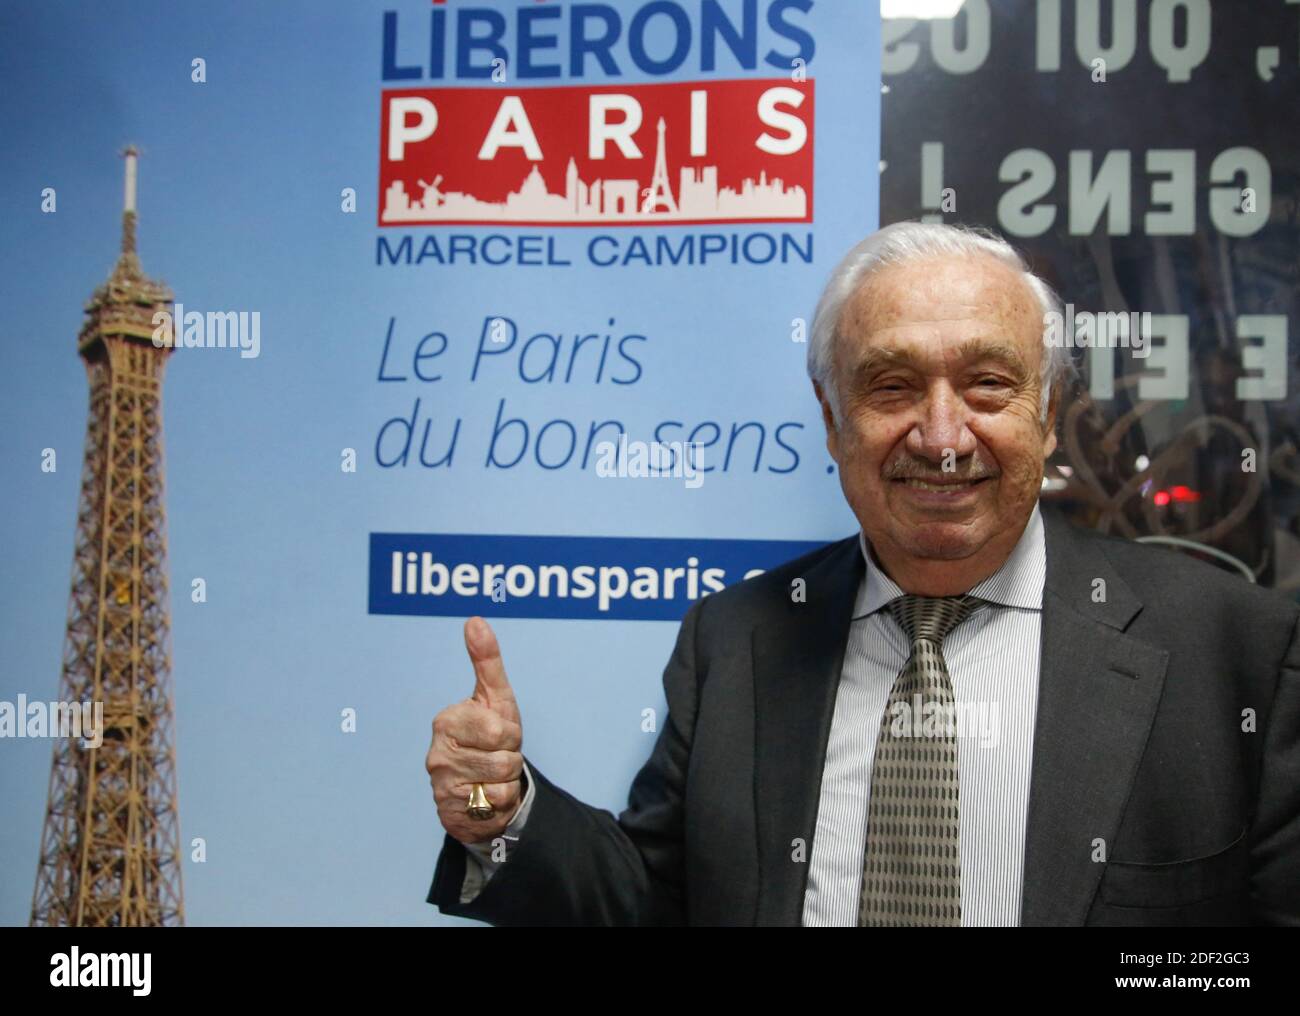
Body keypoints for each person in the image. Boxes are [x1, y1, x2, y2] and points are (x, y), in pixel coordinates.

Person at [423, 221, 1300, 926]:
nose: (943, 436)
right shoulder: (735, 642)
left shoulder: (1234, 655)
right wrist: (506, 820)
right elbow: (656, 901)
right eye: (891, 387)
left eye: (989, 384)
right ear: (832, 418)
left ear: (1049, 414)